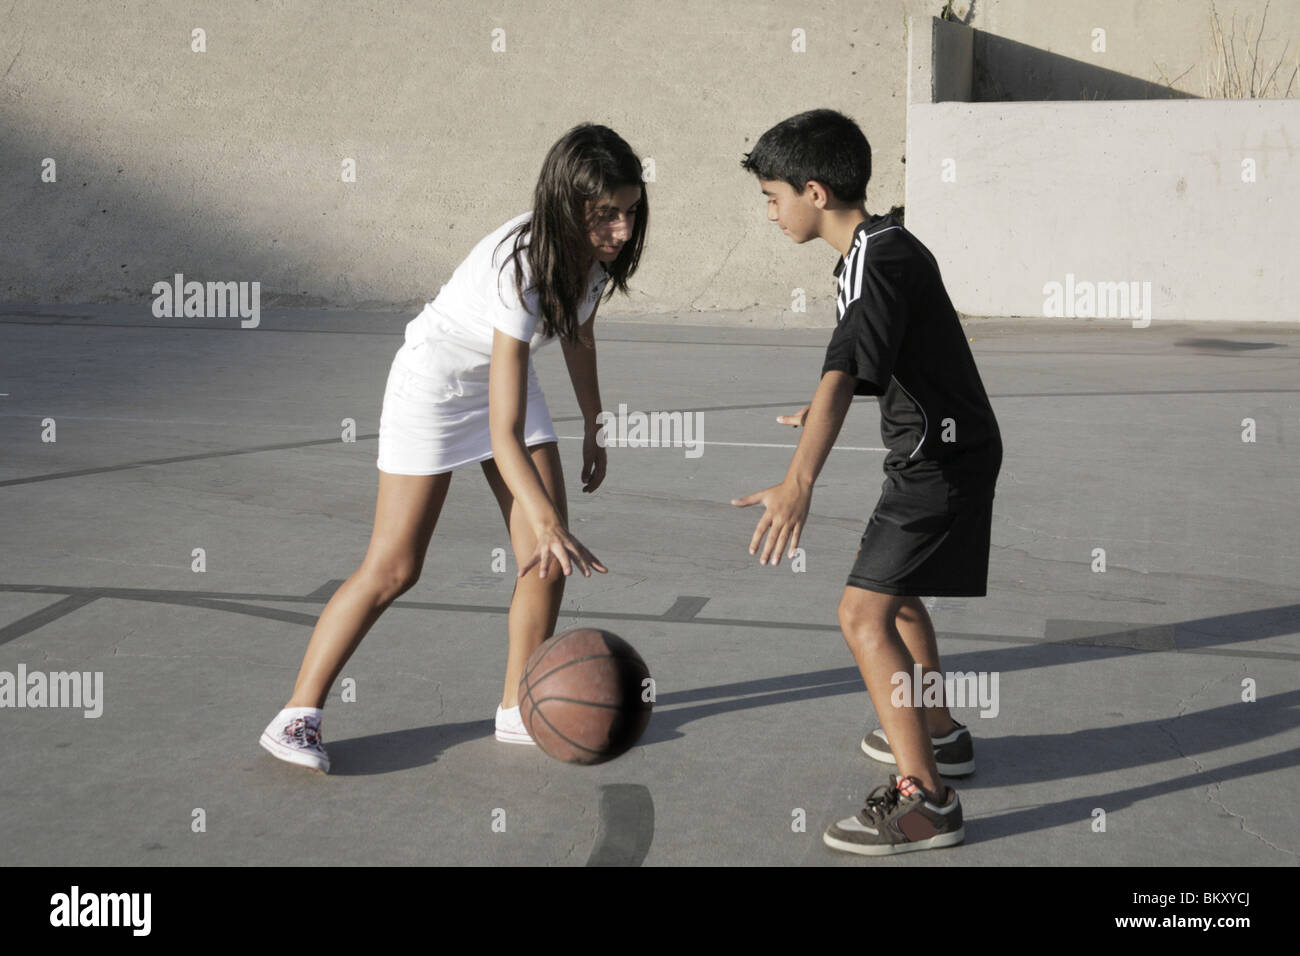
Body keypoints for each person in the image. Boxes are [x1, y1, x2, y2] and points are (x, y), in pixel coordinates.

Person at [259, 123, 648, 772]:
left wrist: (594, 423)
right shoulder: (521, 266)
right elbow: (502, 432)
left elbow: (578, 335)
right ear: (566, 206)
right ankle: (296, 715)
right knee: (394, 567)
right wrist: (546, 516)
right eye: (606, 215)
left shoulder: (595, 262)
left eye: (631, 212)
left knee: (542, 561)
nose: (622, 231)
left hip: (504, 381)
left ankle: (517, 706)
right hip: (436, 385)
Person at [733, 109, 1001, 855]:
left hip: (936, 464)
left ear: (813, 191)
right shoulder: (885, 244)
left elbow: (846, 366)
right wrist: (820, 407)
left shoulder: (875, 261)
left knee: (860, 614)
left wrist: (798, 483)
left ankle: (927, 803)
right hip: (945, 450)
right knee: (899, 595)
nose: (771, 212)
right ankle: (941, 737)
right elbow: (873, 361)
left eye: (772, 196)